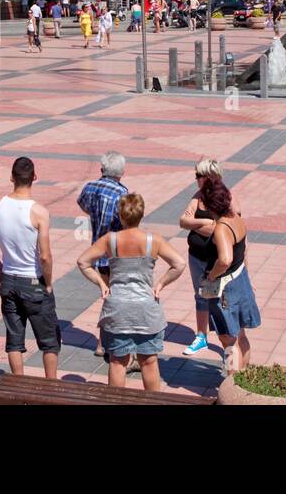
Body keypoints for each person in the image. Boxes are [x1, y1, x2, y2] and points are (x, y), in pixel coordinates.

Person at [78, 194, 185, 391]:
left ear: (120, 215)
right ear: (142, 214)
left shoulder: (110, 239)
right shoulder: (154, 240)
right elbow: (179, 263)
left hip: (117, 308)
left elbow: (83, 262)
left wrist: (102, 283)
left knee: (118, 363)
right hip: (147, 308)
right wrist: (160, 284)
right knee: (149, 362)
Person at [0, 156, 59, 379]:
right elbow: (45, 256)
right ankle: (51, 389)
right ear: (35, 177)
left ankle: (19, 385)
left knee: (14, 340)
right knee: (49, 342)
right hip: (33, 281)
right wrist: (49, 282)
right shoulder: (39, 212)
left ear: (12, 177)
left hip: (9, 280)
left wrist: (0, 268)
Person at [178, 158, 240, 356]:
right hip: (196, 256)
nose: (195, 179)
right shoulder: (198, 196)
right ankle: (201, 336)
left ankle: (229, 343)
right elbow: (182, 221)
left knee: (223, 298)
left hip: (218, 259)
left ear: (209, 177)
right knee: (200, 296)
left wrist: (197, 223)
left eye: (198, 175)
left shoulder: (227, 197)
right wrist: (206, 223)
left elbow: (231, 228)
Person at [198, 177, 260, 374]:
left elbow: (225, 259)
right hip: (240, 279)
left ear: (210, 205)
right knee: (240, 335)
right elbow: (244, 249)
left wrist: (211, 276)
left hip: (225, 288)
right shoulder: (236, 217)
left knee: (228, 340)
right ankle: (243, 380)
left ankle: (232, 387)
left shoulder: (222, 228)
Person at [77, 150, 129, 356]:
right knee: (113, 298)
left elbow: (82, 203)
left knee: (109, 296)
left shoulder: (90, 187)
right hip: (114, 254)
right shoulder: (122, 193)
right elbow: (126, 222)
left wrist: (95, 214)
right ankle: (103, 343)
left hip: (97, 251)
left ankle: (103, 342)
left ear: (102, 169)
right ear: (122, 172)